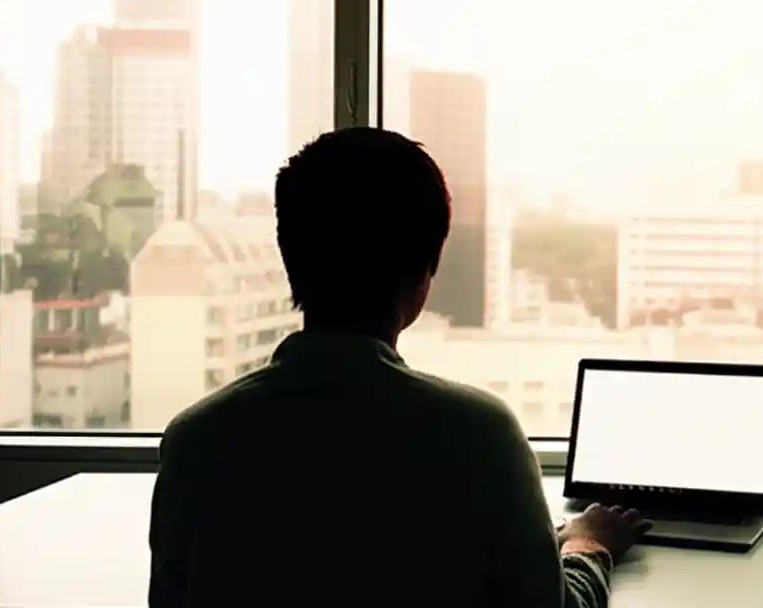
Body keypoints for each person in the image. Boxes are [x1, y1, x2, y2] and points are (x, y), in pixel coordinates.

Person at [148, 127, 651, 607]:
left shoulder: (197, 439)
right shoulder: (480, 436)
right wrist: (587, 547)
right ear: (423, 277)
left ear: (288, 258)